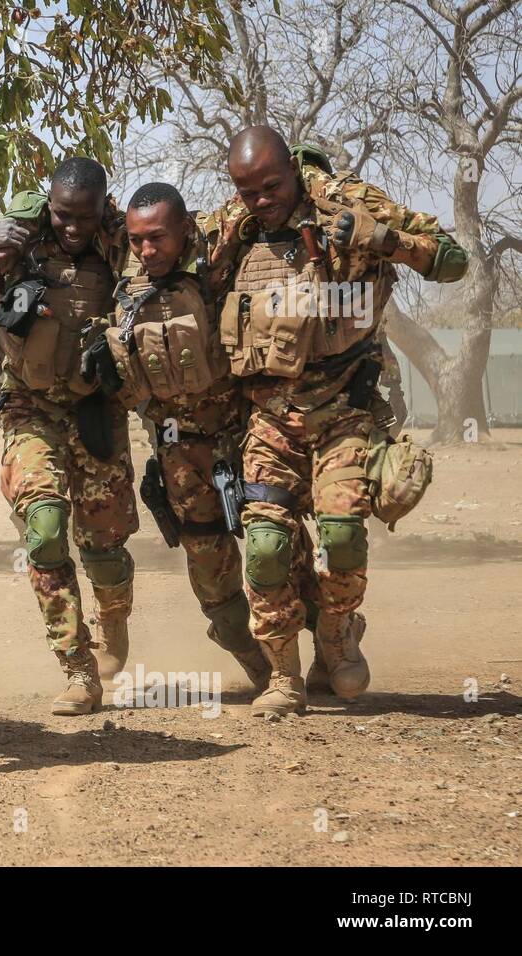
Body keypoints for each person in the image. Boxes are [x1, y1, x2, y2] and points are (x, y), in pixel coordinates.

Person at [203, 128, 466, 716]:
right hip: (269, 416)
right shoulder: (231, 231)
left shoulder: (350, 204)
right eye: (247, 191)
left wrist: (387, 241)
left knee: (342, 536)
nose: (260, 200)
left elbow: (452, 261)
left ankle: (337, 634)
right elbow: (156, 252)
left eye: (271, 186)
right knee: (267, 548)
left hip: (346, 408)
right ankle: (282, 676)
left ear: (292, 172)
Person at [0, 158, 135, 714]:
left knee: (103, 545)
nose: (71, 227)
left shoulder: (121, 244)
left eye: (84, 216)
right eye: (61, 215)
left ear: (103, 206)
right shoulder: (18, 242)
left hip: (96, 411)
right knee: (46, 526)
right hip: (30, 406)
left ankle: (114, 618)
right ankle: (77, 668)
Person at [88, 183, 269, 689]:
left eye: (158, 238)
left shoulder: (217, 251)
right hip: (178, 450)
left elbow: (261, 197)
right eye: (137, 239)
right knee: (206, 559)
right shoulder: (126, 265)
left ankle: (325, 643)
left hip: (244, 433)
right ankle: (253, 658)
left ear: (186, 228)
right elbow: (72, 206)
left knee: (276, 548)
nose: (147, 251)